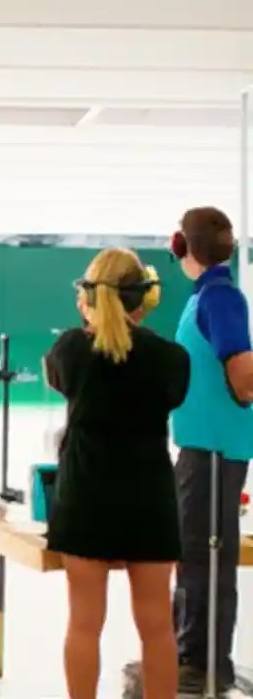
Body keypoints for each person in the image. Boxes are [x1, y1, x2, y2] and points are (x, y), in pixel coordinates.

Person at [44, 247, 189, 699]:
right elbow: (172, 396)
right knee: (157, 629)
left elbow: (59, 379)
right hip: (148, 500)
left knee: (84, 625)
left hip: (86, 497)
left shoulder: (70, 349)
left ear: (88, 295)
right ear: (142, 300)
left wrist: (89, 319)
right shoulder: (170, 357)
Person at [167, 206, 253, 694]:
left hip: (214, 449)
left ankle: (202, 664)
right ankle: (196, 657)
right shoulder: (209, 296)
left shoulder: (220, 298)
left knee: (204, 556)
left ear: (182, 245)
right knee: (198, 554)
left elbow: (243, 375)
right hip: (207, 446)